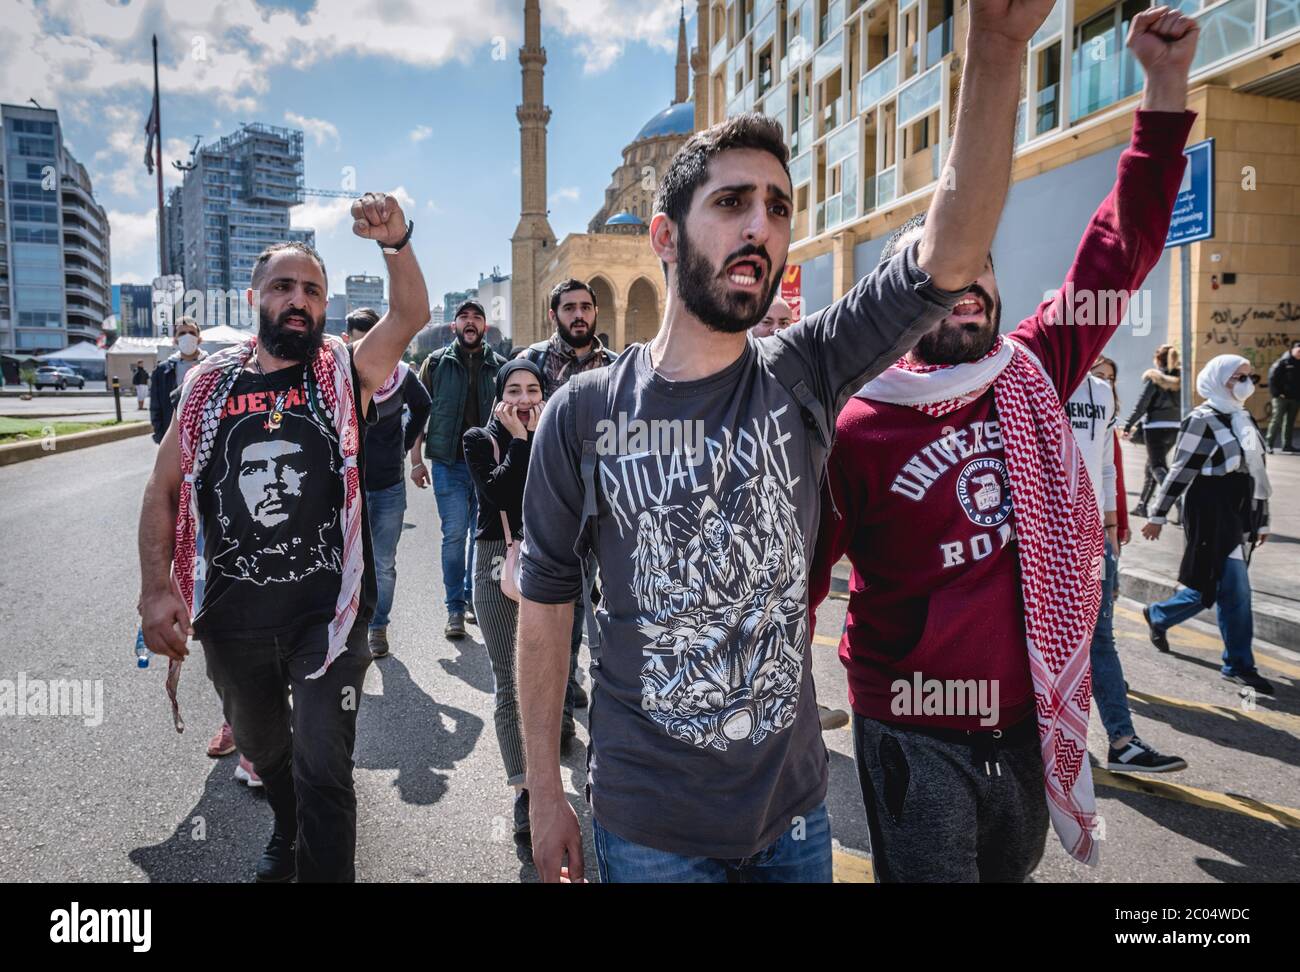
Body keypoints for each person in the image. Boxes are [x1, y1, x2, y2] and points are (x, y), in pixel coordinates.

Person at [517, 0, 1061, 885]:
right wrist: (544, 791)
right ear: (661, 234)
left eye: (776, 206)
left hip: (794, 819)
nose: (760, 225)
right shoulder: (580, 414)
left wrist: (996, 49)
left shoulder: (803, 371)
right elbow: (545, 609)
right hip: (648, 828)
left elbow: (948, 255)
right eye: (731, 202)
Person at [808, 6, 1197, 882]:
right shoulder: (858, 422)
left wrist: (1165, 93)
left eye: (981, 268)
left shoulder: (1031, 368)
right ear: (908, 295)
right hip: (912, 724)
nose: (967, 287)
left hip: (1026, 719)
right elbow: (800, 575)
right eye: (946, 275)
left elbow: (1119, 251)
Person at [137, 192, 430, 883]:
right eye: (283, 287)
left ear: (325, 306)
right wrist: (156, 588)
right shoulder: (208, 385)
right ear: (253, 298)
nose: (299, 300)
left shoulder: (344, 372)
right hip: (234, 618)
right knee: (269, 752)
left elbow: (411, 315)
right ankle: (288, 823)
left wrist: (396, 243)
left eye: (312, 290)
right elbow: (163, 489)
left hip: (327, 614)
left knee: (326, 763)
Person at [1070, 356, 1186, 773]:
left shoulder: (1100, 394)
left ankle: (1122, 741)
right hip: (1041, 541)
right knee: (1039, 643)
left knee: (1100, 640)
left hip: (1091, 540)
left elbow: (1106, 465)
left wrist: (1111, 528)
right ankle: (1052, 736)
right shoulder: (1035, 379)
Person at [517, 278, 620, 724]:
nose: (578, 315)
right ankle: (554, 708)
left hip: (603, 498)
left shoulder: (618, 367)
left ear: (596, 311)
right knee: (552, 596)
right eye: (568, 308)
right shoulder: (531, 364)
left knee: (587, 596)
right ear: (553, 314)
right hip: (551, 497)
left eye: (585, 307)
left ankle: (573, 679)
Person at [1141, 354, 1274, 696]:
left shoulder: (1244, 417)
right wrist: (1158, 514)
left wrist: (1262, 519)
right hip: (1210, 508)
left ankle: (1159, 615)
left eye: (1250, 376)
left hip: (1240, 508)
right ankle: (1240, 665)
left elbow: (1257, 473)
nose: (1247, 383)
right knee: (1237, 589)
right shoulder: (1201, 419)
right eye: (1238, 377)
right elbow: (1180, 470)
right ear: (1217, 379)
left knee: (1210, 587)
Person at [464, 359, 546, 854]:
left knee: (552, 676)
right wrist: (518, 439)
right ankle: (525, 788)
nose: (523, 398)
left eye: (532, 388)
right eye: (513, 389)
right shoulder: (480, 438)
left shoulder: (556, 431)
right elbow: (498, 490)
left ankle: (549, 775)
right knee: (509, 682)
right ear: (500, 396)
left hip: (550, 563)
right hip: (499, 560)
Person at [410, 300, 508, 639]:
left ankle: (472, 599)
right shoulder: (435, 363)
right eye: (464, 317)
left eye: (476, 318)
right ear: (454, 326)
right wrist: (416, 460)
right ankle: (454, 607)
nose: (470, 322)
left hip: (487, 467)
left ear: (484, 326)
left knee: (481, 538)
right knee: (454, 535)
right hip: (447, 464)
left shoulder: (501, 367)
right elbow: (419, 414)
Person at [343, 307, 432, 658]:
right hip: (345, 486)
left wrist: (405, 444)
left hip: (388, 485)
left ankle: (378, 627)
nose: (364, 344)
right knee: (346, 561)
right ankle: (348, 626)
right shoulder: (340, 374)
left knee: (382, 562)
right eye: (358, 337)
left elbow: (423, 406)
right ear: (349, 339)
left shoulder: (401, 375)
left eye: (371, 336)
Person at [1123, 344, 1181, 517]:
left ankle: (1179, 501)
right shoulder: (1180, 380)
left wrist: (1128, 425)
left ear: (1157, 360)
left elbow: (1142, 405)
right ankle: (1142, 505)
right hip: (1174, 428)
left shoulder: (1155, 378)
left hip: (1154, 429)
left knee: (1157, 467)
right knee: (1151, 467)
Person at [150, 317, 207, 443]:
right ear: (175, 340)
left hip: (205, 436)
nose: (187, 336)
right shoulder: (162, 371)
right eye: (182, 333)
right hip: (173, 437)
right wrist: (161, 437)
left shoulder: (211, 366)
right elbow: (156, 407)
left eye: (192, 333)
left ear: (199, 339)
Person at [1265, 340, 1300, 453]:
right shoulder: (1283, 362)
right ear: (1293, 350)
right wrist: (1277, 393)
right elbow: (1272, 378)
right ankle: (1268, 444)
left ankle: (1287, 445)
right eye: (1298, 351)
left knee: (1290, 422)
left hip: (1295, 398)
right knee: (1276, 420)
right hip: (1281, 398)